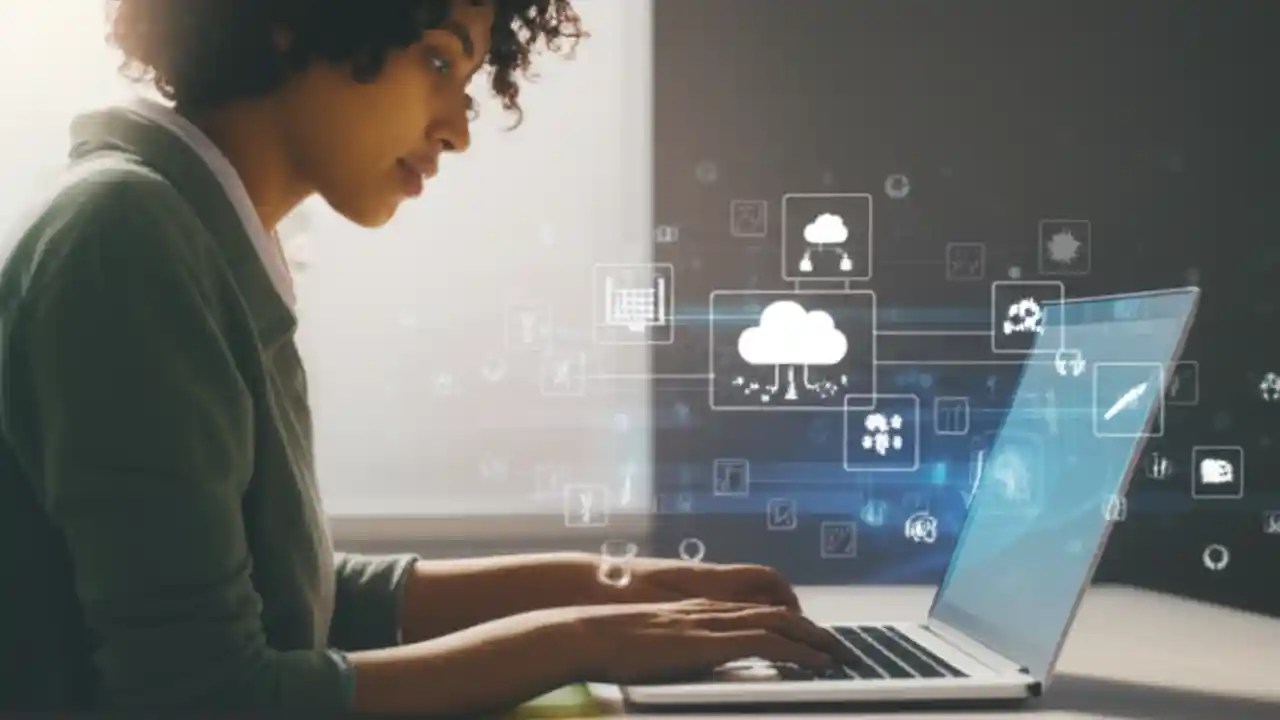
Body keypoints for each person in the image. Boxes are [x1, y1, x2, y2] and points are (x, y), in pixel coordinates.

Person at [0, 0, 856, 715]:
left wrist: (621, 588)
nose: (458, 131)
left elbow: (289, 596)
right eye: (440, 65)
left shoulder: (184, 232)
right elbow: (206, 696)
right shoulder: (130, 243)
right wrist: (588, 640)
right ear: (296, 19)